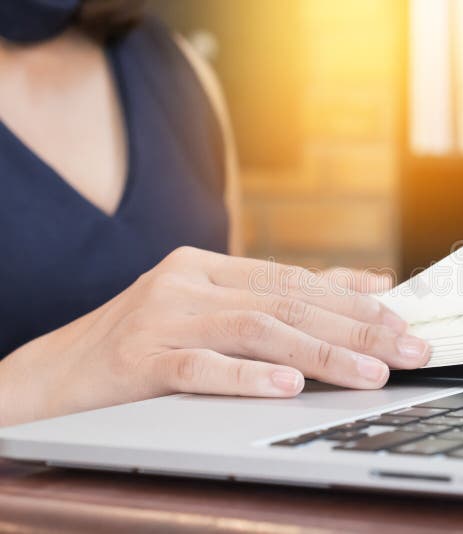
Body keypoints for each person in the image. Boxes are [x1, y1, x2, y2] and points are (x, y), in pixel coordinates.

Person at [0, 0, 430, 427]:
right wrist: (54, 376)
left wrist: (283, 325)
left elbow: (220, 325)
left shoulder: (175, 65)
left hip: (189, 481)